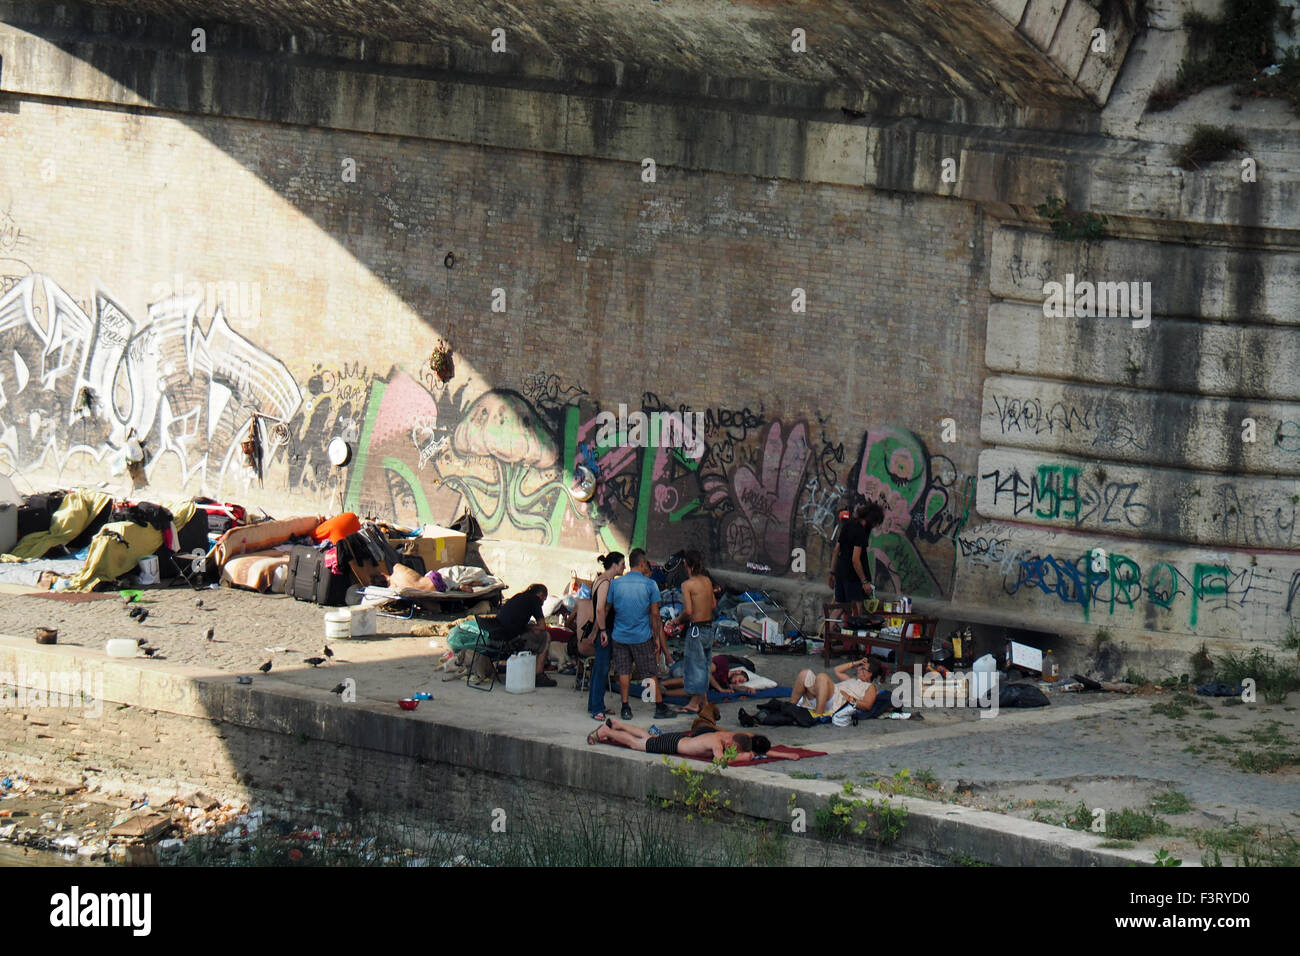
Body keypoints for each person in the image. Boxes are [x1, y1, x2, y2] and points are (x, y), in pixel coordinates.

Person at [608, 548, 672, 721]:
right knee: (649, 671)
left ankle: (625, 707)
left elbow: (608, 608)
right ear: (642, 563)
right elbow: (655, 615)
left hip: (619, 635)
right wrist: (657, 638)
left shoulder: (616, 583)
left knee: (623, 671)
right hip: (641, 636)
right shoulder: (650, 584)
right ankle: (658, 705)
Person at [669, 550, 717, 715]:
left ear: (685, 565)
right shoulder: (707, 581)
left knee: (694, 666)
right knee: (705, 665)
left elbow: (688, 611)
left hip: (696, 629)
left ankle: (694, 703)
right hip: (709, 628)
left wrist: (677, 621)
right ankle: (704, 700)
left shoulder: (687, 585)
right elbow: (713, 605)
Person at [578, 552, 625, 721]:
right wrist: (603, 631)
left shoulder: (601, 580)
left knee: (600, 668)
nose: (624, 567)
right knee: (601, 669)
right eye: (622, 564)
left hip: (603, 630)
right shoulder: (605, 582)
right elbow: (600, 609)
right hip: (606, 631)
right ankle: (597, 708)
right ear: (614, 565)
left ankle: (595, 704)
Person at [589, 718, 771, 760]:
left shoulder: (724, 738)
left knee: (647, 737)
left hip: (680, 739)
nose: (733, 751)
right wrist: (742, 757)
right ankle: (608, 731)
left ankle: (618, 724)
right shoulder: (717, 743)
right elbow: (721, 761)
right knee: (636, 744)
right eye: (735, 749)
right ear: (733, 743)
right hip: (673, 744)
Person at [492, 583, 555, 687]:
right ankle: (538, 675)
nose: (543, 602)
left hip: (495, 639)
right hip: (509, 641)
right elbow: (543, 627)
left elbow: (515, 622)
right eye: (544, 599)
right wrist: (533, 627)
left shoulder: (518, 596)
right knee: (545, 636)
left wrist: (528, 626)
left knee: (534, 632)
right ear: (541, 595)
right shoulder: (535, 600)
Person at [828, 503, 885, 617]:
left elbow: (836, 550)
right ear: (872, 521)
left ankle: (826, 633)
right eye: (875, 524)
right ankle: (854, 634)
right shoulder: (860, 533)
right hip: (853, 577)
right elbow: (855, 559)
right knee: (857, 612)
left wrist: (833, 573)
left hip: (840, 573)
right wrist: (864, 582)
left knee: (839, 607)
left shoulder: (848, 526)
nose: (874, 527)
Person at [790, 656, 887, 716]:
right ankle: (790, 706)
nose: (859, 669)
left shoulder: (870, 687)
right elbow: (837, 670)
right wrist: (856, 662)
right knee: (805, 673)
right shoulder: (852, 680)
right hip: (822, 696)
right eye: (860, 667)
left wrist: (849, 698)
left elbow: (867, 706)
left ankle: (818, 715)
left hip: (835, 702)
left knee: (822, 677)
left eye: (862, 668)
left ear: (870, 674)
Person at [661, 655, 759, 697]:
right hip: (682, 668)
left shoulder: (725, 682)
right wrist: (719, 688)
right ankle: (662, 684)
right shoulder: (723, 663)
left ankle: (663, 693)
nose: (738, 682)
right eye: (740, 679)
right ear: (738, 671)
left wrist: (746, 689)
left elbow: (733, 687)